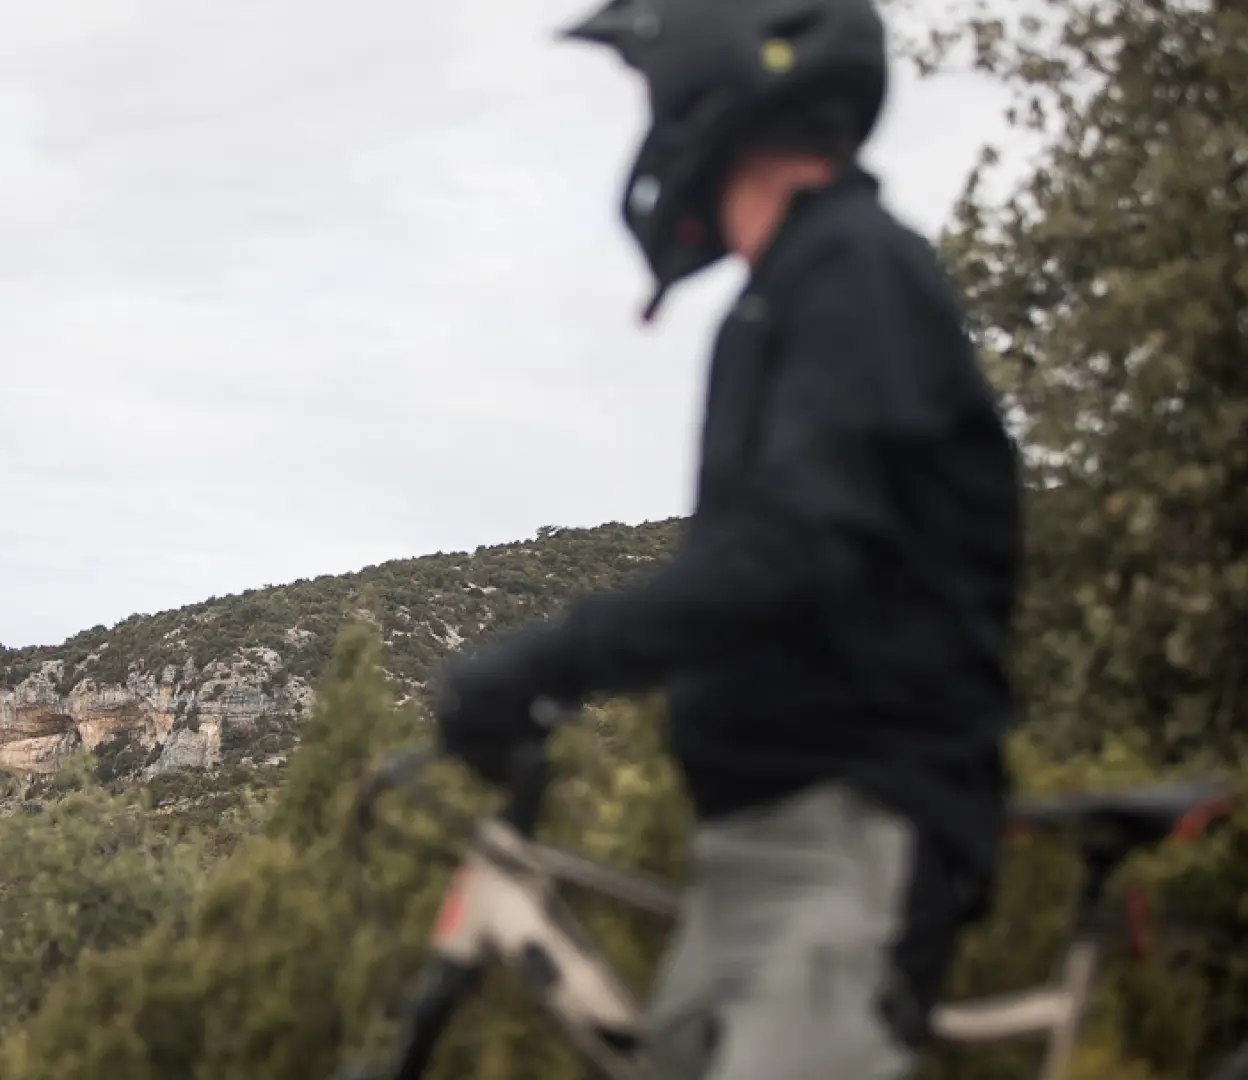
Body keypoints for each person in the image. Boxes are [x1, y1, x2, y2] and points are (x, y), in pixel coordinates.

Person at [429, 0, 1024, 1077]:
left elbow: (787, 556)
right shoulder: (786, 296)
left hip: (853, 827)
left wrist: (542, 661)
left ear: (714, 88)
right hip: (764, 843)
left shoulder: (854, 269)